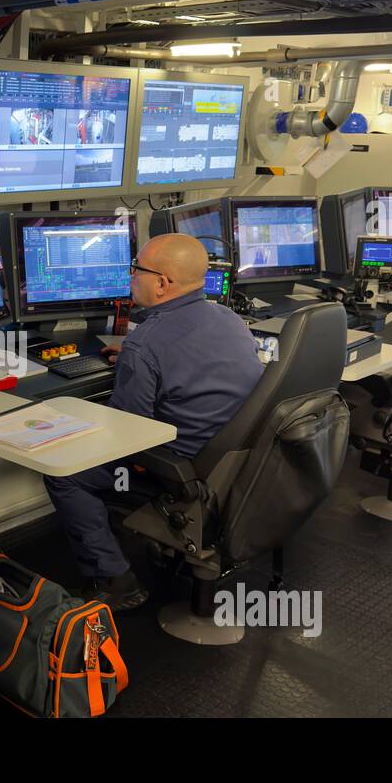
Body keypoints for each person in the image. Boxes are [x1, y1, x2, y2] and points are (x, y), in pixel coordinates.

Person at [42, 234, 264, 610]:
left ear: (162, 284)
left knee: (65, 472)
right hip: (234, 469)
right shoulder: (228, 318)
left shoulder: (146, 344)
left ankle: (115, 579)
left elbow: (125, 435)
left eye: (136, 269)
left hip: (180, 474)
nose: (131, 276)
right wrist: (134, 356)